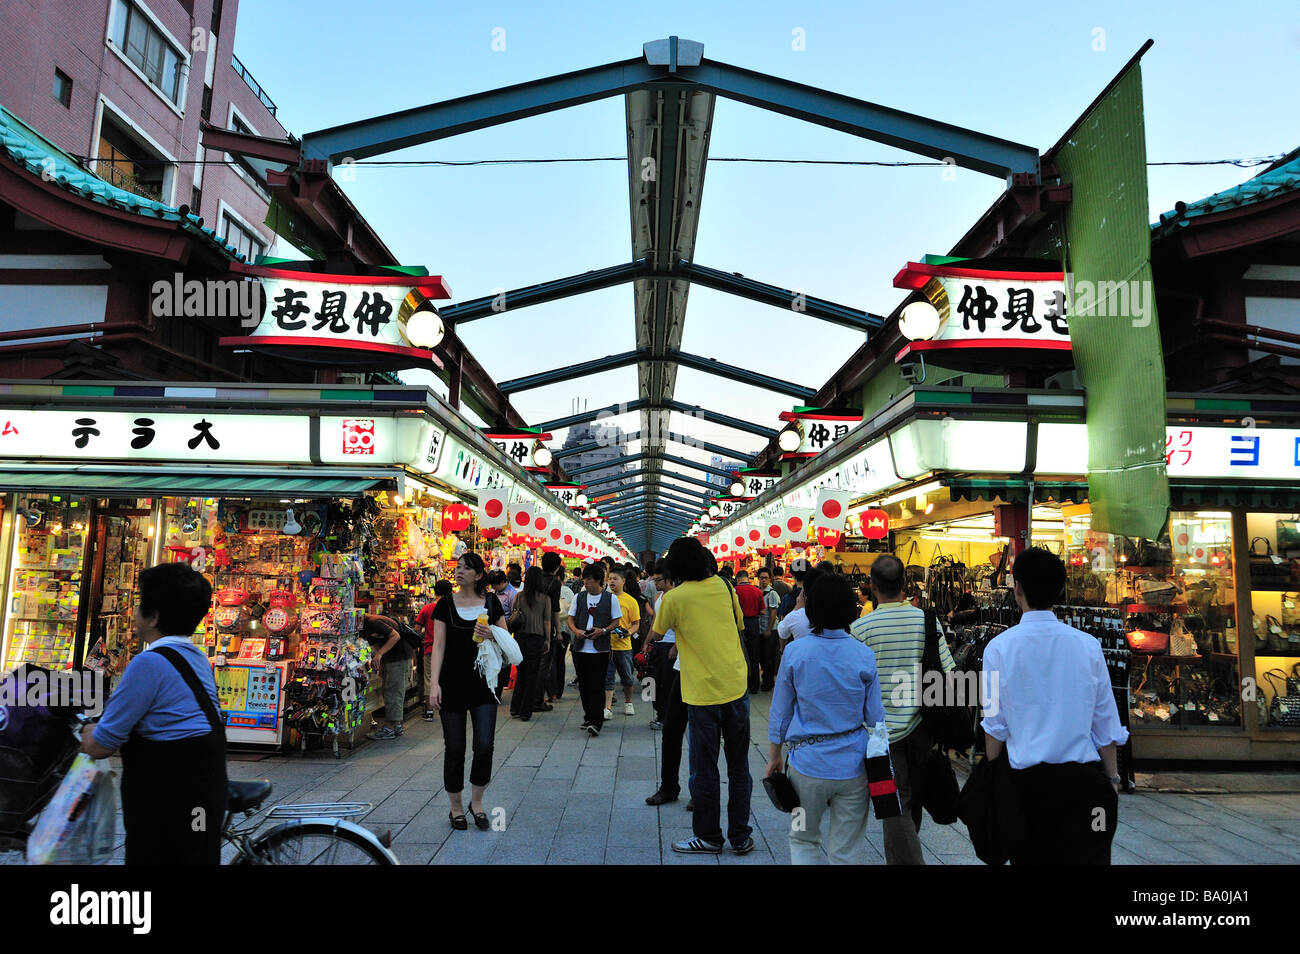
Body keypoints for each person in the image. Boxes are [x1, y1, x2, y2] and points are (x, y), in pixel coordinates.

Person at [979, 547, 1128, 864]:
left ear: (1017, 587)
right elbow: (1105, 720)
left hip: (1027, 788)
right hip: (1084, 787)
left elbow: (995, 726)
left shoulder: (998, 649)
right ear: (1060, 589)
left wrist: (994, 780)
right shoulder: (1087, 645)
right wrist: (1113, 779)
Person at [81, 563, 227, 865]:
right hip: (202, 796)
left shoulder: (148, 664)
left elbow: (101, 744)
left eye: (140, 604)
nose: (135, 611)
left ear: (155, 615)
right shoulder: (196, 657)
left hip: (169, 802)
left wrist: (80, 732)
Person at [766, 574, 894, 865]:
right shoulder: (863, 655)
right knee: (845, 851)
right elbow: (875, 717)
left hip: (804, 768)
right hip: (854, 770)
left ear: (811, 608)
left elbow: (780, 711)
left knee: (801, 837)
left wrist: (774, 755)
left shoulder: (795, 652)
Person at [652, 538, 752, 854]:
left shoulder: (674, 598)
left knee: (704, 767)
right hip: (736, 684)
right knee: (739, 765)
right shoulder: (724, 586)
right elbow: (738, 626)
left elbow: (656, 634)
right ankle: (740, 836)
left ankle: (709, 837)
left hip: (702, 693)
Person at [848, 554, 955, 831]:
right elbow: (950, 673)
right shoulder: (928, 622)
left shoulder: (860, 629)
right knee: (912, 801)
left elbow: (853, 686)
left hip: (879, 735)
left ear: (872, 585)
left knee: (892, 805)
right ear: (905, 584)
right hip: (923, 727)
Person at [428, 551, 509, 831]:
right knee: (455, 748)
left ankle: (478, 803)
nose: (459, 571)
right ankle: (455, 807)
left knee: (484, 745)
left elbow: (506, 639)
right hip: (451, 683)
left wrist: (492, 634)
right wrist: (434, 683)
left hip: (484, 685)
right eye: (458, 567)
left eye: (466, 568)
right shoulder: (444, 605)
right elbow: (438, 645)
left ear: (478, 575)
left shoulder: (490, 602)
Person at [645, 566, 689, 807]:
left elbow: (665, 629)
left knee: (676, 731)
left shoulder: (677, 597)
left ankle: (679, 788)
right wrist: (646, 643)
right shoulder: (663, 597)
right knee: (658, 685)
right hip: (670, 652)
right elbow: (656, 625)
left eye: (659, 579)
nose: (656, 583)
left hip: (684, 663)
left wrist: (675, 646)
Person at [568, 561, 621, 736]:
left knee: (597, 684)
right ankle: (589, 716)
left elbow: (616, 622)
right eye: (585, 580)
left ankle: (596, 721)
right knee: (584, 685)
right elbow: (571, 619)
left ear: (599, 580)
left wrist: (603, 631)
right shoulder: (579, 597)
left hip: (600, 649)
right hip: (580, 648)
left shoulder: (610, 598)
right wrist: (576, 631)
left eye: (589, 580)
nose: (586, 584)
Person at [509, 566, 553, 722]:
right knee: (532, 675)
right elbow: (547, 621)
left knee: (521, 672)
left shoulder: (519, 596)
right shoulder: (545, 599)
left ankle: (515, 708)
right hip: (537, 639)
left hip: (520, 638)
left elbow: (513, 614)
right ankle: (525, 711)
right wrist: (547, 640)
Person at [362, 613, 411, 740]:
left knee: (393, 691)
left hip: (398, 658)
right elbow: (377, 642)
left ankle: (390, 727)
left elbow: (395, 636)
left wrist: (379, 654)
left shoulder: (373, 622)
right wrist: (380, 659)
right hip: (393, 659)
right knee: (391, 690)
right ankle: (397, 725)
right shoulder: (368, 625)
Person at [604, 567, 641, 719]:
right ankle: (607, 707)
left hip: (624, 646)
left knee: (627, 676)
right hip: (607, 645)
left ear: (623, 581)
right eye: (610, 578)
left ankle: (628, 702)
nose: (612, 581)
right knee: (608, 677)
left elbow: (636, 623)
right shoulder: (604, 598)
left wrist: (629, 633)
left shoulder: (630, 601)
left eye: (615, 579)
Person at [418, 580, 454, 722]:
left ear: (435, 592)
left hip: (430, 648)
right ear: (450, 592)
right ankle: (448, 706)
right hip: (449, 648)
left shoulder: (427, 609)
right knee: (448, 677)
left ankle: (429, 711)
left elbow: (416, 629)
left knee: (429, 679)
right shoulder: (453, 607)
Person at [733, 570, 766, 694]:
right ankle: (754, 685)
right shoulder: (757, 591)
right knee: (754, 655)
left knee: (741, 655)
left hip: (740, 624)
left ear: (738, 579)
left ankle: (742, 684)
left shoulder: (734, 590)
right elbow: (763, 611)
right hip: (754, 624)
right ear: (747, 578)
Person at [777, 566, 824, 647]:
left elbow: (782, 632)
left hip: (794, 646)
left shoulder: (796, 613)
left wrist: (797, 608)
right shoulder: (831, 613)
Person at [756, 568, 782, 690]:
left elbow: (773, 613)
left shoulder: (772, 593)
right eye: (761, 578)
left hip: (770, 630)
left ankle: (768, 682)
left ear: (770, 579)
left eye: (766, 577)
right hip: (760, 629)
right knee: (762, 657)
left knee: (768, 657)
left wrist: (768, 629)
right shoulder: (757, 592)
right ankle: (766, 680)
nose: (764, 580)